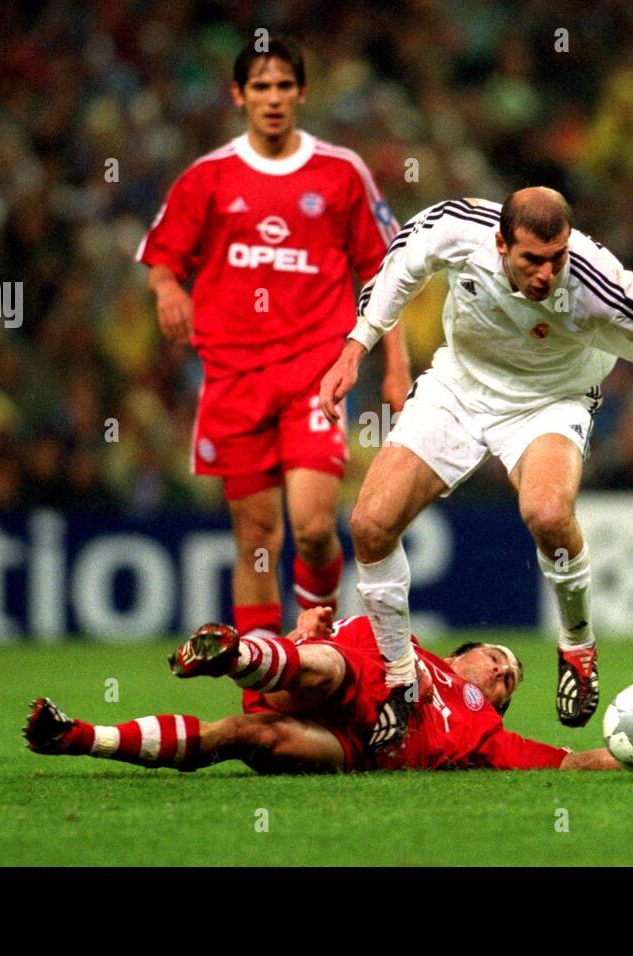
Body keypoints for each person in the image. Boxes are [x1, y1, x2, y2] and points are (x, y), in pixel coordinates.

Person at [318, 189, 633, 748]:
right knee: (369, 524)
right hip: (458, 386)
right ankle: (401, 682)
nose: (547, 273)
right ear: (501, 243)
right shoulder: (458, 227)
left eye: (557, 257)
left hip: (552, 399)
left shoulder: (598, 288)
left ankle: (577, 642)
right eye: (532, 259)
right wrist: (356, 345)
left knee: (547, 513)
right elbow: (404, 259)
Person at [137, 36, 410, 640]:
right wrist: (166, 288)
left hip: (315, 373)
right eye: (261, 86)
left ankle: (315, 651)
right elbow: (162, 256)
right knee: (256, 539)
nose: (274, 98)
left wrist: (396, 364)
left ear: (303, 93)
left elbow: (388, 269)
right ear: (239, 96)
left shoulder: (340, 172)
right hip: (234, 379)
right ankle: (261, 693)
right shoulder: (207, 178)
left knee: (314, 528)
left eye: (285, 85)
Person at [22, 607, 633, 773]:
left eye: (509, 682)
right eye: (496, 660)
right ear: (458, 656)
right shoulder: (408, 646)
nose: (501, 673)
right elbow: (339, 650)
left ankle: (77, 735)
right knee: (334, 664)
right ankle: (234, 654)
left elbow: (576, 759)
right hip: (361, 674)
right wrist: (306, 636)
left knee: (246, 737)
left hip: (357, 744)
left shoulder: (486, 735)